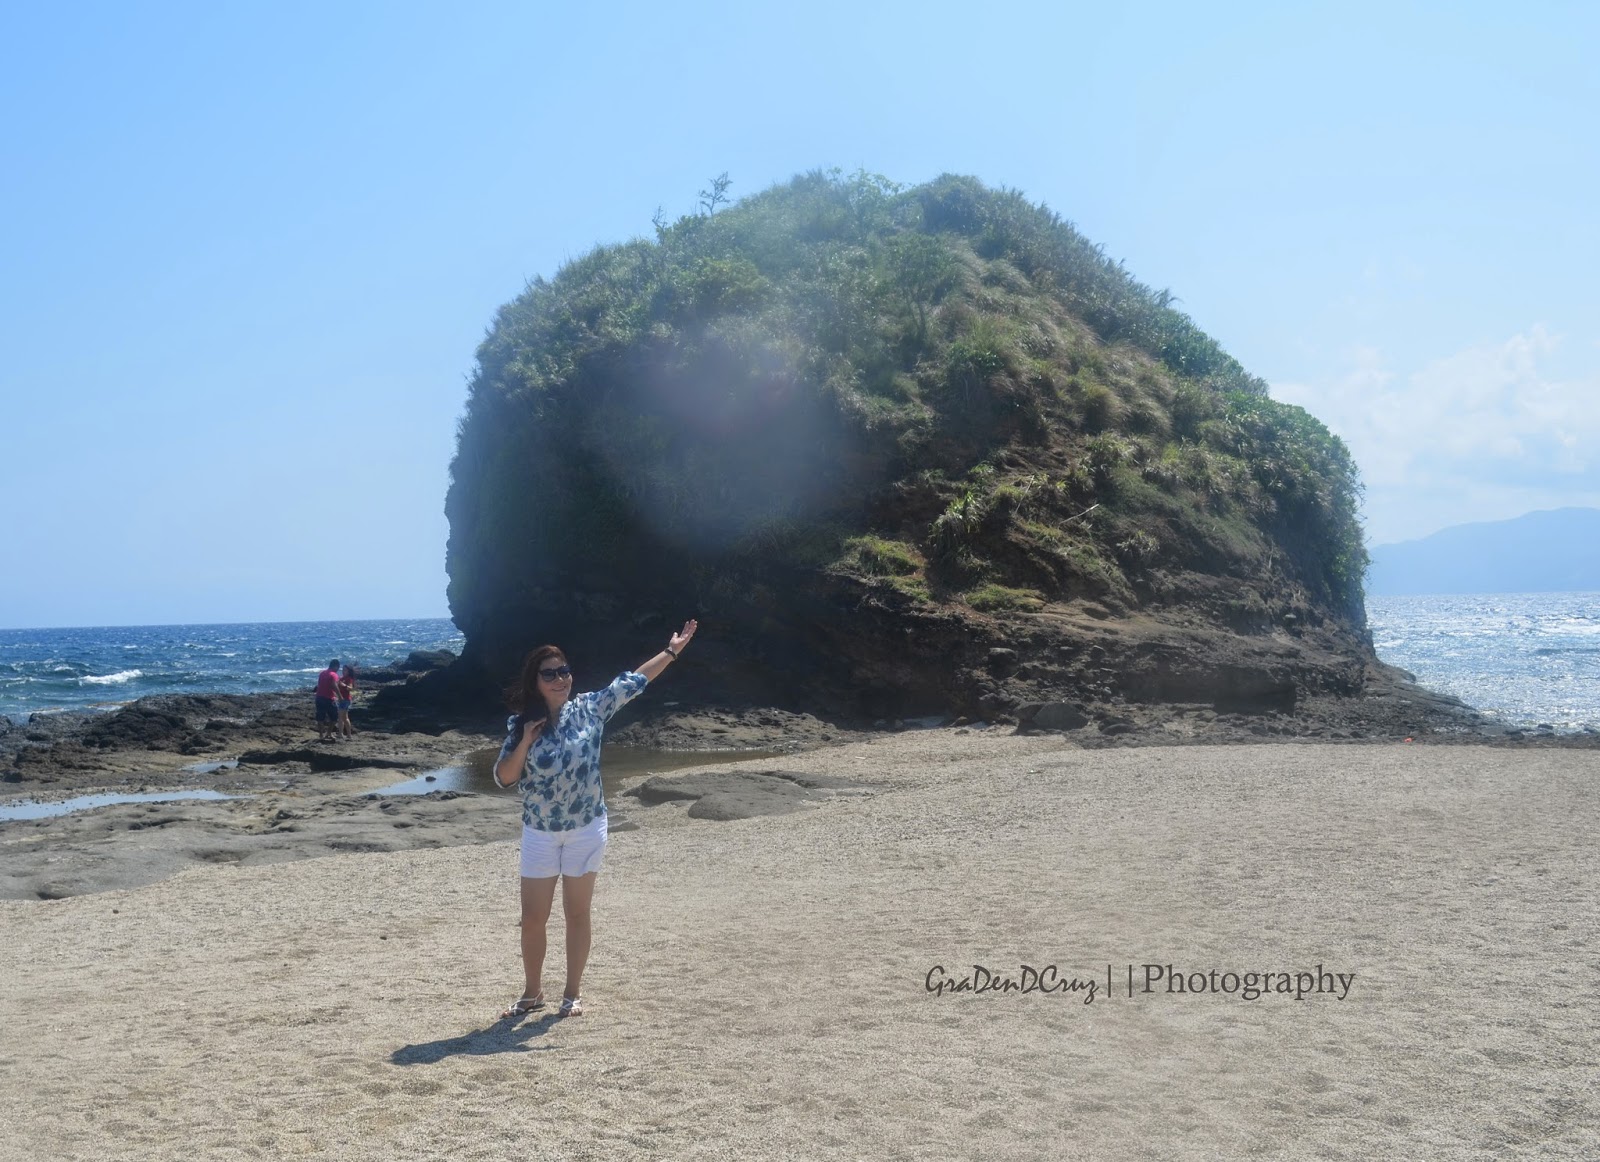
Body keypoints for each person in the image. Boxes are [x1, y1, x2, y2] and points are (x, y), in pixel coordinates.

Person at [492, 618, 699, 1019]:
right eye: (549, 673)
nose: (560, 679)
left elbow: (634, 681)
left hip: (586, 828)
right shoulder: (520, 724)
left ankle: (572, 993)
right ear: (535, 680)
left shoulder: (591, 707)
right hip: (540, 833)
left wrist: (672, 651)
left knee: (577, 913)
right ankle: (532, 992)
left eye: (564, 671)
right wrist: (527, 741)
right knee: (533, 917)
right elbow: (504, 776)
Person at [313, 659, 341, 742]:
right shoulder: (334, 675)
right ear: (336, 666)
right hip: (328, 698)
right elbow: (333, 685)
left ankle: (321, 735)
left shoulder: (322, 673)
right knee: (334, 717)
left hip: (319, 697)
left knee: (320, 717)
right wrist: (340, 696)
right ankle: (328, 733)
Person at [336, 662, 357, 739]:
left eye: (345, 670)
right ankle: (348, 735)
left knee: (341, 717)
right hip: (342, 699)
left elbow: (351, 688)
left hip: (345, 700)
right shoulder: (341, 678)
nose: (343, 671)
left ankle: (341, 734)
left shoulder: (349, 679)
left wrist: (344, 685)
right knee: (345, 717)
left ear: (348, 671)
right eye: (343, 670)